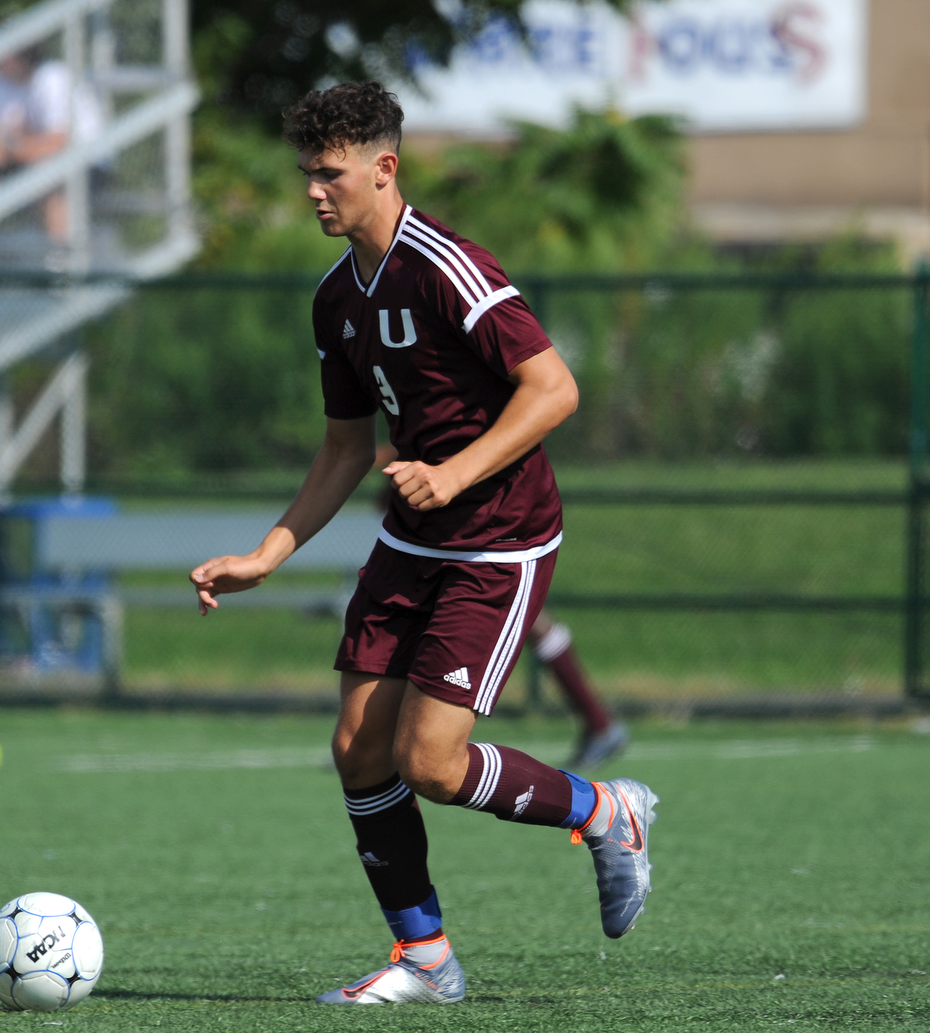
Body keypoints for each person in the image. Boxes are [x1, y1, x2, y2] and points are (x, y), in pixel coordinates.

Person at [189, 82, 657, 1005]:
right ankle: (426, 959)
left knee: (433, 766)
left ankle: (607, 809)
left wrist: (454, 472)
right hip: (414, 541)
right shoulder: (336, 299)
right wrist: (266, 554)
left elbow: (554, 388)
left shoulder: (448, 266)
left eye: (330, 175)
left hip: (500, 540)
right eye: (307, 175)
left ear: (383, 167)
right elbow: (345, 449)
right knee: (360, 750)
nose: (314, 192)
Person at [372, 443, 629, 769]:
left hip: (492, 521)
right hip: (465, 523)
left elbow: (548, 404)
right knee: (526, 621)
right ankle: (599, 723)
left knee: (527, 620)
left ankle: (599, 739)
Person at [0, 47, 103, 260]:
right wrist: (9, 146)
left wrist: (10, 146)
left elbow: (57, 143)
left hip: (86, 165)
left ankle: (64, 262)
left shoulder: (52, 77)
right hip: (22, 163)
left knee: (47, 174)